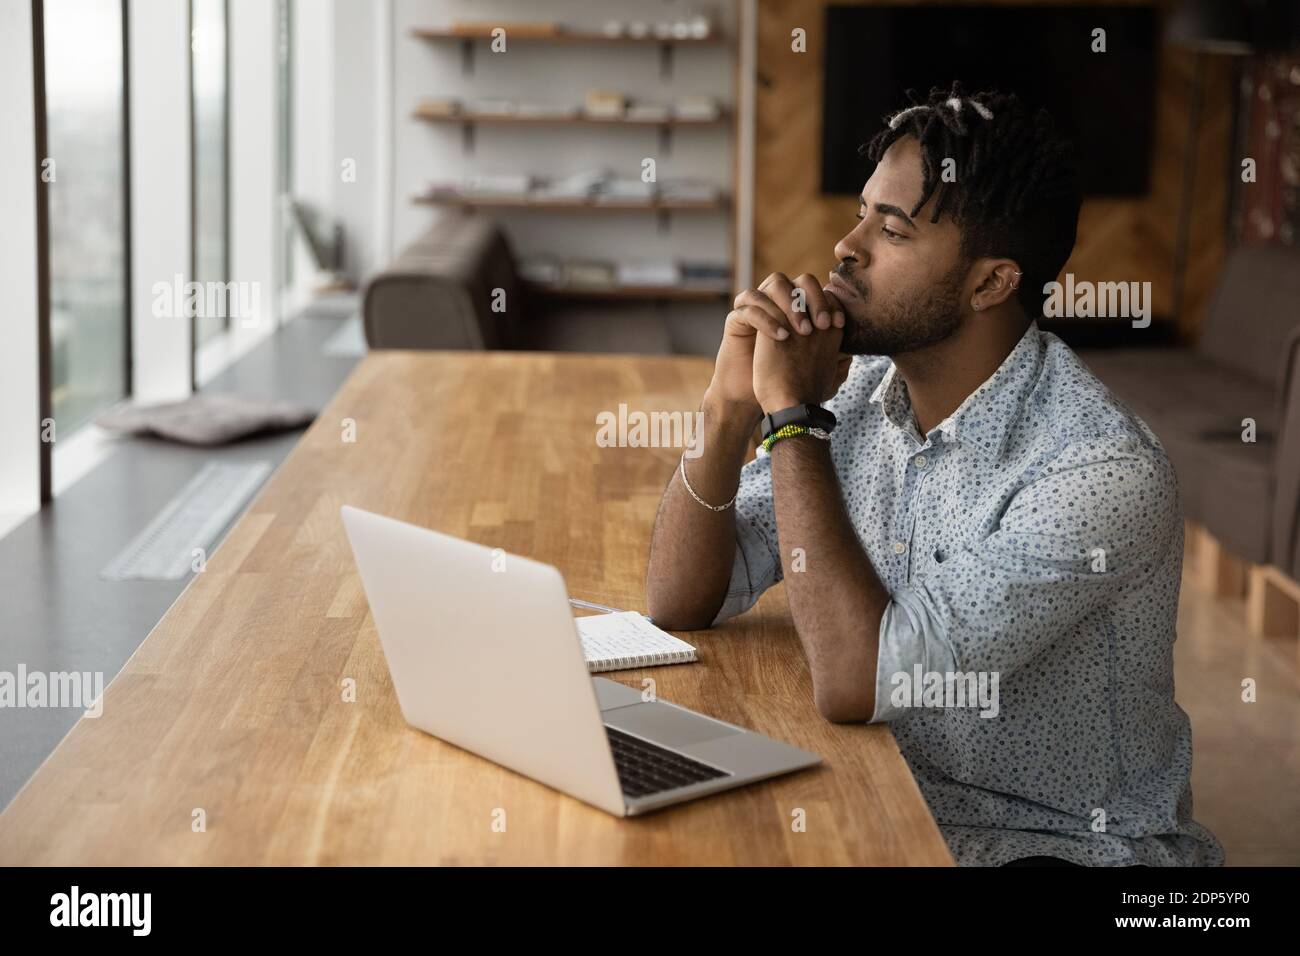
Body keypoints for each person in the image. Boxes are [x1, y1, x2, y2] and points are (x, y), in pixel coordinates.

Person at [644, 83, 1223, 867]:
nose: (847, 247)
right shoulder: (863, 391)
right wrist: (727, 408)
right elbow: (681, 599)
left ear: (991, 283)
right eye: (861, 213)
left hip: (1057, 851)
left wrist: (790, 421)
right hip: (890, 801)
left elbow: (857, 679)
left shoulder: (1098, 470)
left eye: (892, 230)